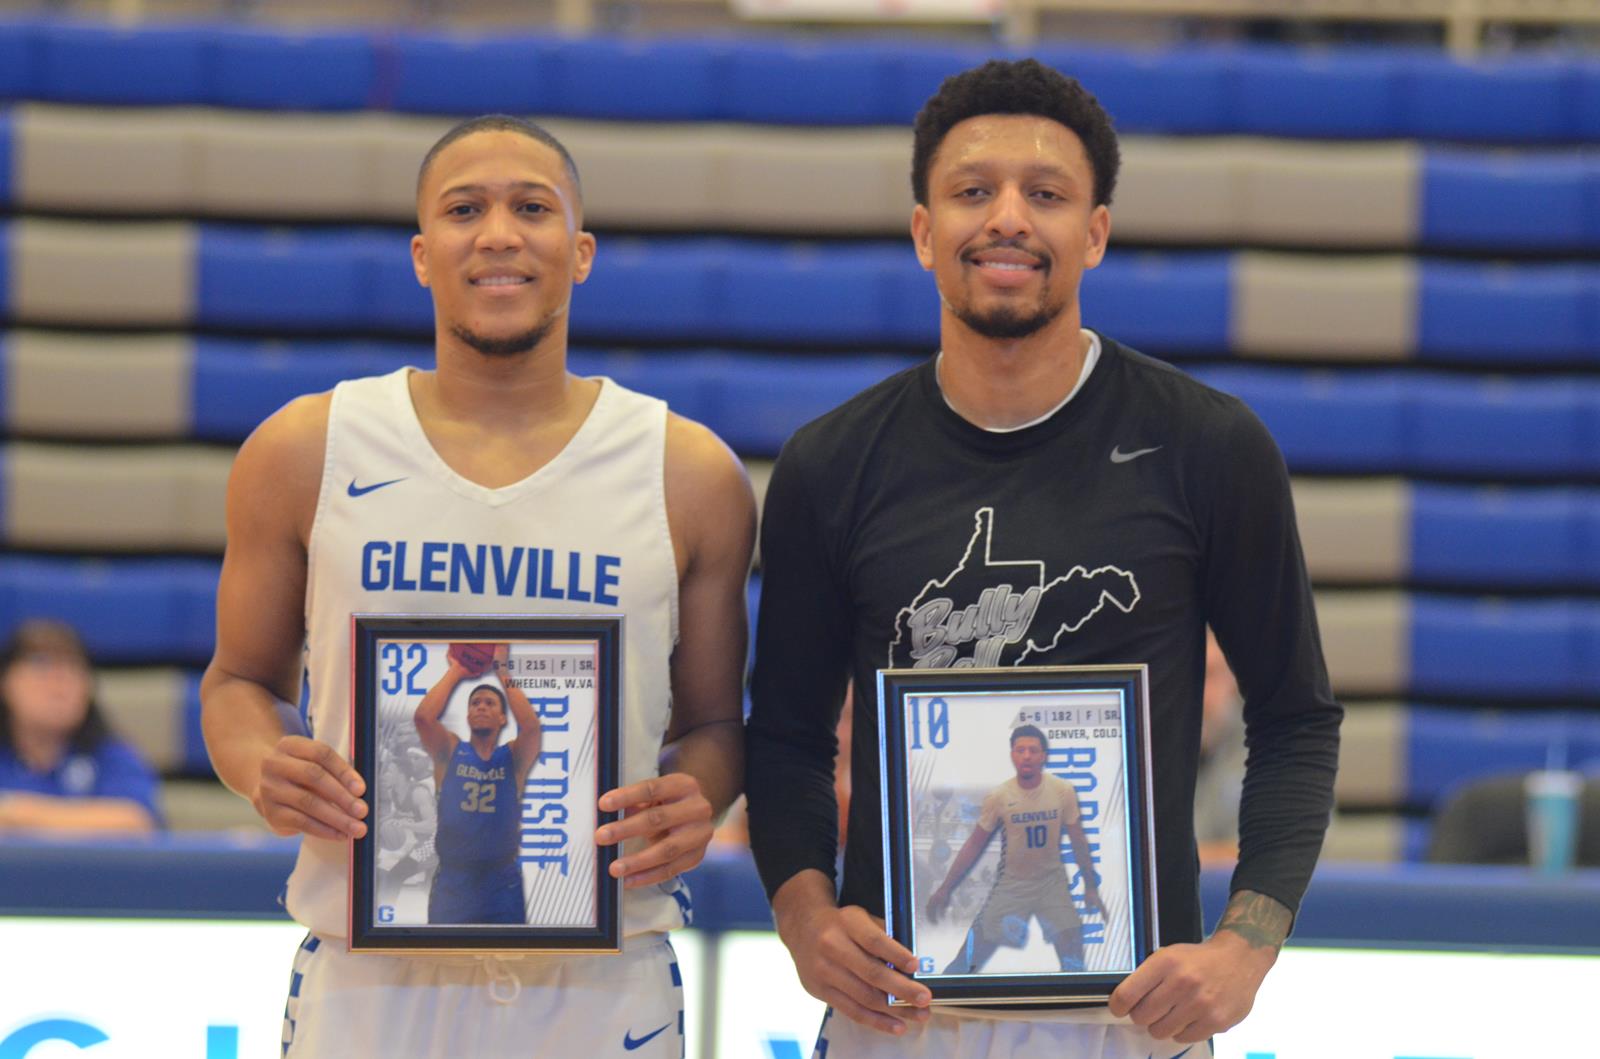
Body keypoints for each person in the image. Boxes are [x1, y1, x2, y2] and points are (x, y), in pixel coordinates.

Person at [746, 59, 1342, 1058]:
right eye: (972, 191)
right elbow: (787, 739)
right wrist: (805, 919)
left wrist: (1246, 946)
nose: (1008, 219)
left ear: (1095, 232)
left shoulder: (1208, 446)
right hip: (899, 1016)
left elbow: (1295, 720)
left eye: (1047, 194)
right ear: (923, 229)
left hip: (1131, 1018)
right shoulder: (831, 463)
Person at [200, 114, 755, 1057]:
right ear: (423, 254)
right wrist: (264, 765)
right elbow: (236, 686)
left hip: (603, 968)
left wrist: (696, 797)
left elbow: (711, 730)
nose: (498, 232)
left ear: (579, 252)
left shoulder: (687, 470)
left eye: (531, 208)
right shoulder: (304, 449)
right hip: (368, 973)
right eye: (465, 209)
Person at [925, 724, 1106, 974]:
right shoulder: (999, 795)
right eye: (1020, 750)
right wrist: (946, 888)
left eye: (1033, 750)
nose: (1027, 755)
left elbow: (1078, 839)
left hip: (1051, 883)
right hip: (1013, 885)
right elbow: (975, 843)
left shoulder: (1062, 791)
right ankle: (938, 1004)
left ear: (1044, 755)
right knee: (965, 963)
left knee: (1074, 961)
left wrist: (1091, 885)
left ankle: (1071, 1010)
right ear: (1012, 755)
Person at [414, 644, 542, 924]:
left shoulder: (512, 758)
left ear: (502, 718)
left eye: (489, 703)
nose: (481, 706)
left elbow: (531, 727)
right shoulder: (449, 751)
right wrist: (458, 670)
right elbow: (424, 718)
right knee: (446, 965)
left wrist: (501, 669)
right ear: (469, 716)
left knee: (511, 964)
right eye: (475, 703)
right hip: (453, 880)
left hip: (501, 882)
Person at [0, 618, 160, 833]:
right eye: (41, 663)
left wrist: (17, 813)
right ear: (6, 682)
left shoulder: (111, 756)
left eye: (72, 666)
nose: (59, 679)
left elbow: (135, 821)